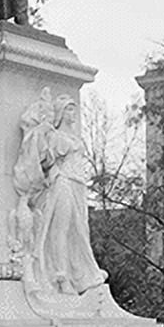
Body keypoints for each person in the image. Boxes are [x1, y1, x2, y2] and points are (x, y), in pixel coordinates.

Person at [33, 95, 107, 296]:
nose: (72, 113)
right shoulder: (56, 137)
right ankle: (61, 276)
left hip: (79, 184)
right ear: (60, 113)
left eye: (73, 109)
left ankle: (83, 273)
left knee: (80, 231)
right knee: (61, 229)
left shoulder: (76, 138)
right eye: (68, 109)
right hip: (63, 182)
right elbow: (45, 162)